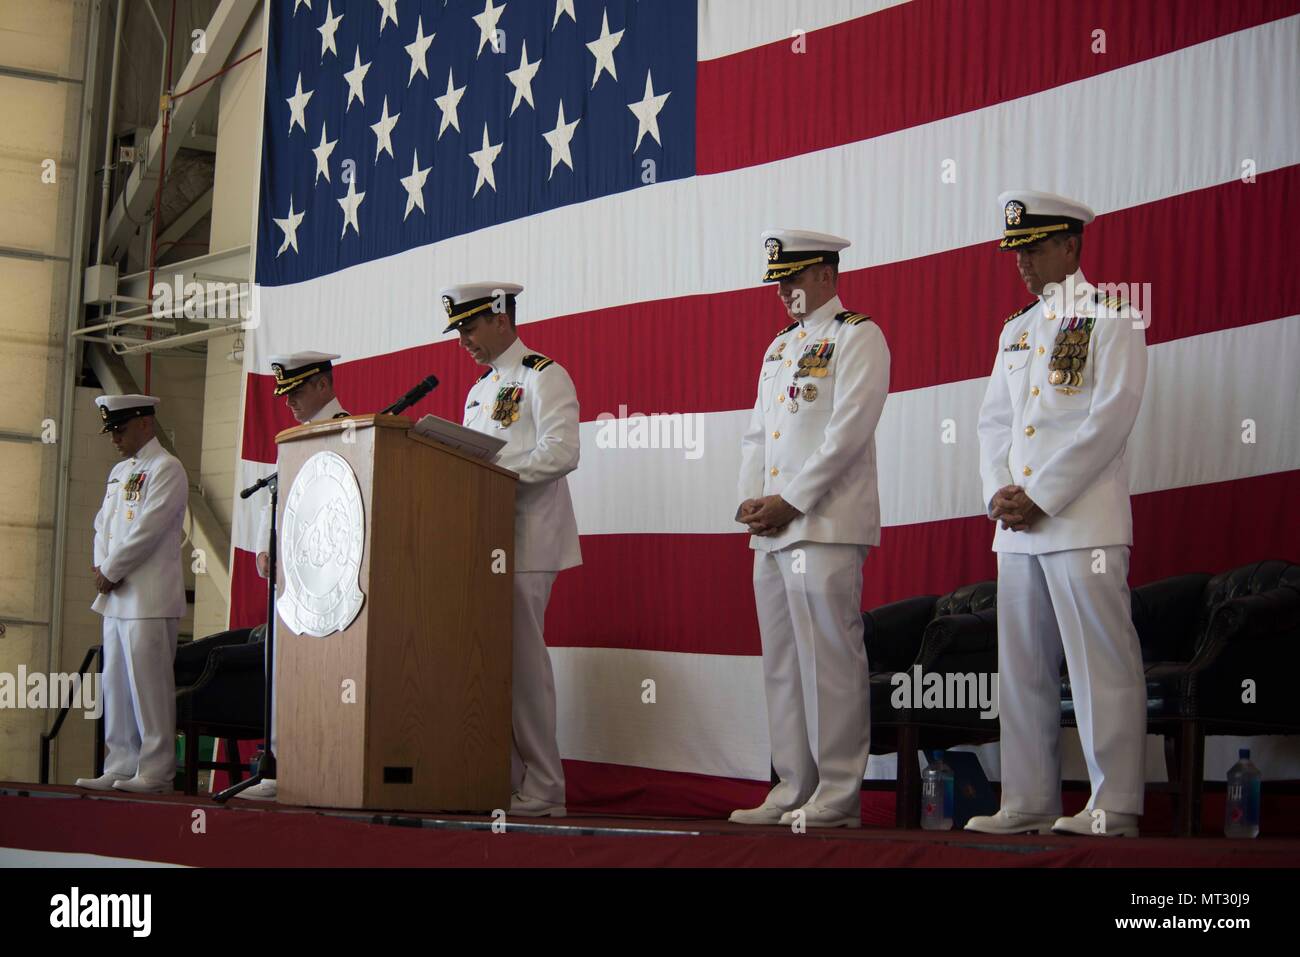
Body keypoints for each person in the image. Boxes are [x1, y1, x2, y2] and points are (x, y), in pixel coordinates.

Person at [966, 190, 1149, 837]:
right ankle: (1028, 799)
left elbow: (1109, 419)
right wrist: (999, 493)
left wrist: (1039, 493)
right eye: (1017, 249)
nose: (1021, 260)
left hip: (1081, 523)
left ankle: (1114, 803)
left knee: (1101, 665)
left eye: (1034, 246)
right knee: (1022, 668)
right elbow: (993, 424)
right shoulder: (1015, 330)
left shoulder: (1114, 316)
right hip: (1015, 528)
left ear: (1071, 245)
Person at [730, 229, 890, 829]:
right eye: (779, 281)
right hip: (772, 529)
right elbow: (758, 434)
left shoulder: (859, 336)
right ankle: (792, 784)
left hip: (824, 522)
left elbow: (848, 431)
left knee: (830, 658)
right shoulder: (778, 349)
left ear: (826, 274)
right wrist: (753, 501)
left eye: (793, 279)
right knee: (782, 660)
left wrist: (791, 500)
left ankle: (840, 793)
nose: (784, 291)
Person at [446, 282, 581, 818]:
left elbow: (562, 452)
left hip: (527, 539)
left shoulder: (544, 374)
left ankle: (547, 788)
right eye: (458, 329)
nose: (463, 339)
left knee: (523, 668)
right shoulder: (479, 390)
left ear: (500, 318)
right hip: (485, 541)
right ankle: (504, 780)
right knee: (492, 666)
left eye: (470, 326)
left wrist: (491, 472)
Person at [242, 351, 349, 801]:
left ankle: (327, 767)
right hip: (292, 580)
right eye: (285, 394)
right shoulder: (294, 437)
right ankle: (280, 766)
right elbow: (281, 501)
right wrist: (268, 548)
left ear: (324, 385)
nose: (290, 402)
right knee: (282, 669)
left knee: (327, 674)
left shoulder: (349, 430)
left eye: (298, 391)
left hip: (328, 577)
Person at [75, 395, 188, 794]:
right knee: (116, 685)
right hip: (116, 598)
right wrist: (101, 564)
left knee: (149, 687)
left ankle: (156, 771)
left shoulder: (167, 469)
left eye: (120, 430)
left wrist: (111, 569)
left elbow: (149, 529)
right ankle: (120, 763)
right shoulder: (120, 471)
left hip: (149, 598)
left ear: (145, 423)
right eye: (111, 431)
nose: (114, 439)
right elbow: (101, 525)